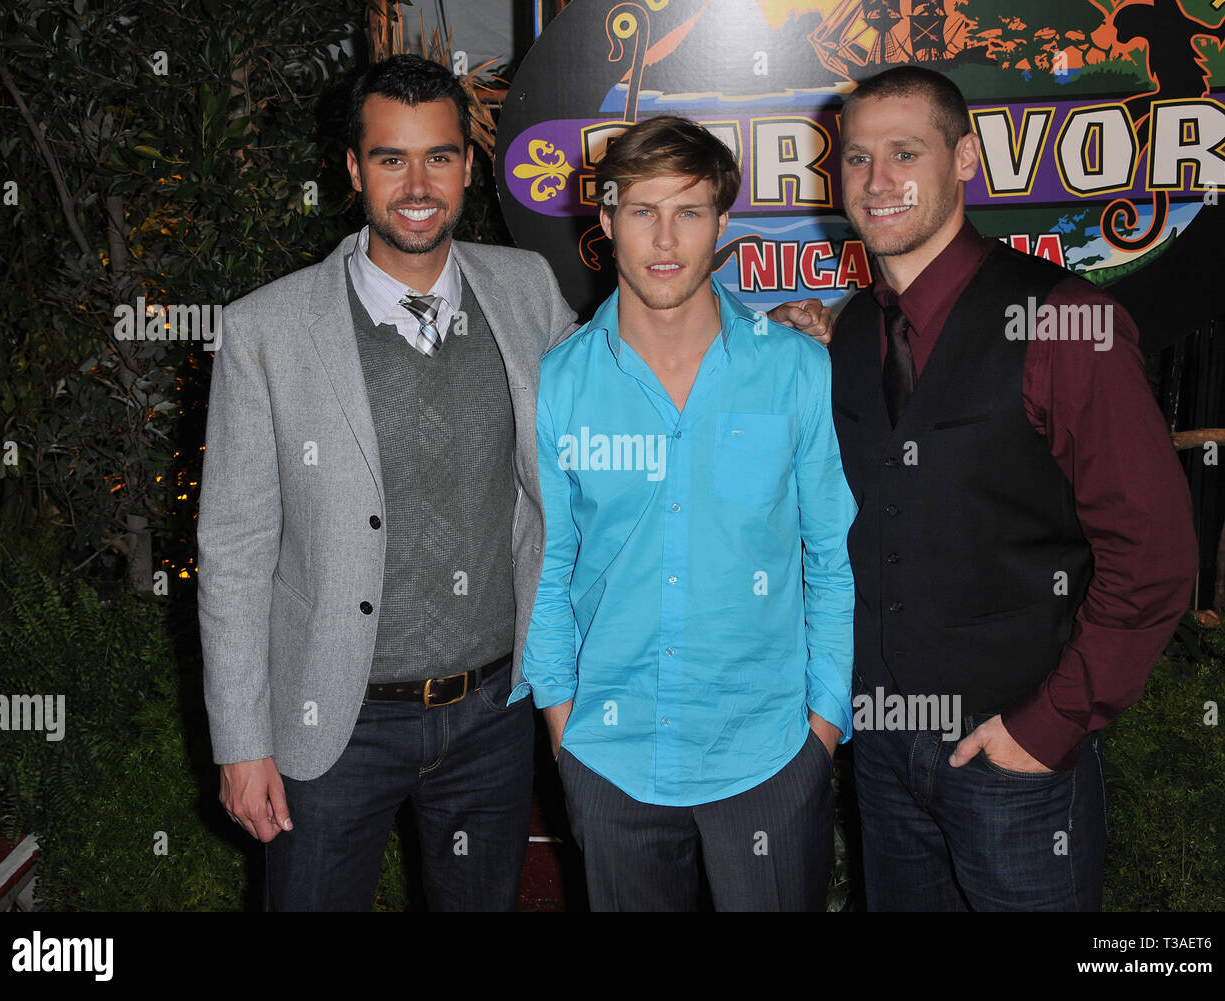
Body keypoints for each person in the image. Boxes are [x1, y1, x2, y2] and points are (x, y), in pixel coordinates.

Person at [199, 55, 832, 911]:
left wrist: (780, 330)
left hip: (493, 716)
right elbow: (233, 553)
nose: (418, 183)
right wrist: (242, 742)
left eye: (441, 156)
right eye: (391, 158)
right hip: (334, 720)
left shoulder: (522, 289)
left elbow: (645, 345)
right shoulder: (265, 330)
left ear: (470, 164)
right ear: (353, 169)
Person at [830, 65, 1198, 911]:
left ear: (964, 159)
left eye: (904, 153)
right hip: (884, 758)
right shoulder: (851, 330)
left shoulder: (1068, 324)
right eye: (856, 158)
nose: (877, 181)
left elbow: (1156, 558)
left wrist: (1049, 726)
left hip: (1018, 768)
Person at [512, 115, 857, 911]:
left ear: (722, 223)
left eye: (690, 211)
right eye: (641, 211)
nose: (665, 239)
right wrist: (566, 733)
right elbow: (548, 566)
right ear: (605, 221)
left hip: (769, 761)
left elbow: (830, 560)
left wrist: (822, 730)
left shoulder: (796, 369)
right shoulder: (559, 384)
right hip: (610, 759)